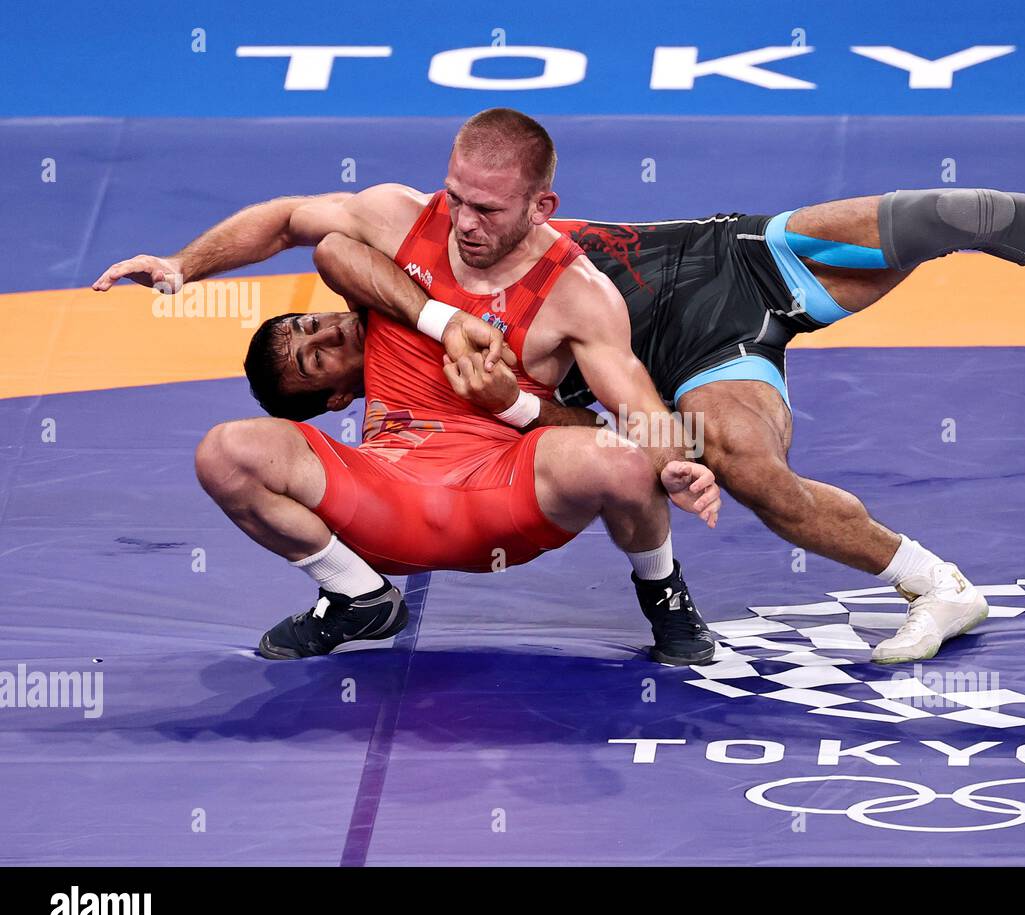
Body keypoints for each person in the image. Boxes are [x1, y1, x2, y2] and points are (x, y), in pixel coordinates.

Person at [91, 109, 723, 666]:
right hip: (384, 494)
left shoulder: (577, 294)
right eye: (456, 199)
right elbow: (291, 224)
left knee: (620, 460)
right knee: (225, 451)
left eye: (488, 210)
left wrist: (676, 465)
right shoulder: (394, 227)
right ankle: (356, 594)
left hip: (504, 498)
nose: (465, 224)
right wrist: (182, 265)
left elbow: (637, 404)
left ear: (541, 208)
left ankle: (662, 591)